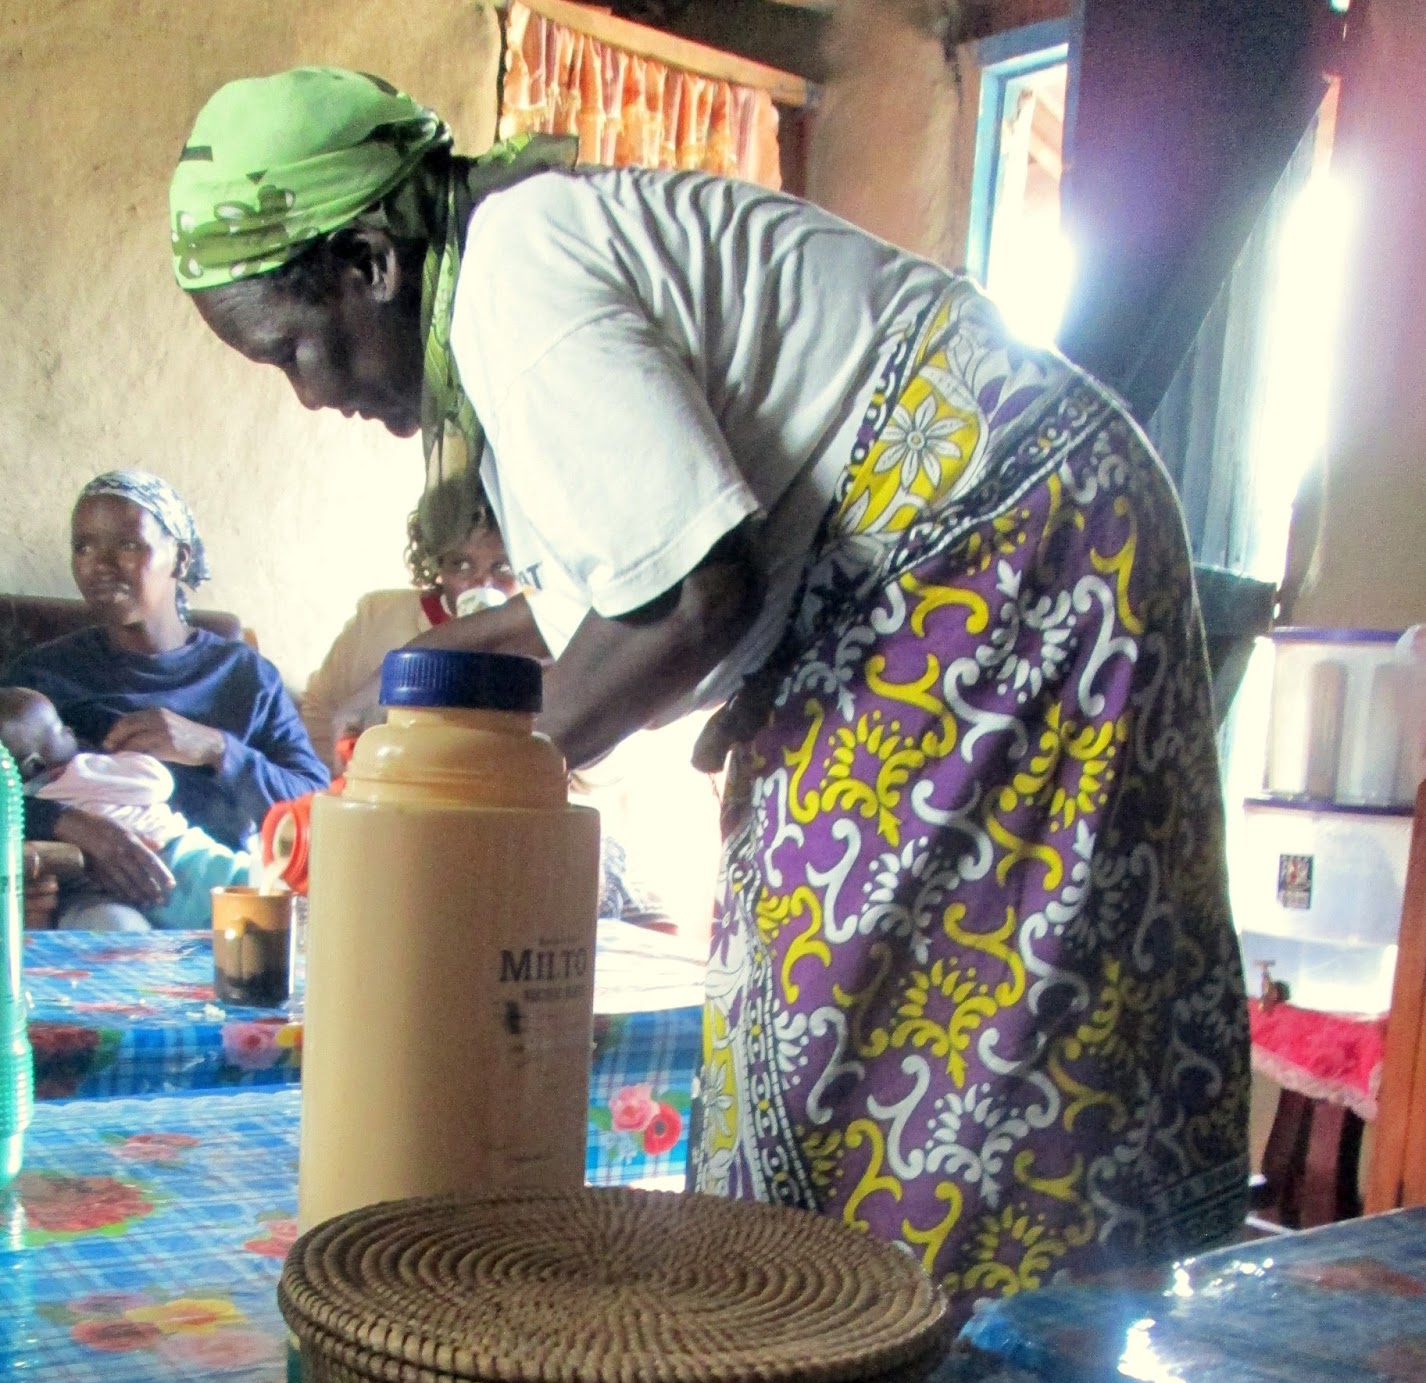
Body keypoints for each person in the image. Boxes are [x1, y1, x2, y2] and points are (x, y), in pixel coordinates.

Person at [171, 69, 1250, 1314]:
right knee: (826, 1002)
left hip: (997, 551)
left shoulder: (517, 275)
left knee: (895, 1023)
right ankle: (895, 1367)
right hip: (998, 537)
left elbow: (697, 596)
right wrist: (437, 695)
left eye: (294, 347)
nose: (310, 392)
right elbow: (620, 582)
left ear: (369, 260)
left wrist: (454, 815)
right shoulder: (519, 270)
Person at [6, 470, 327, 924]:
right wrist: (76, 826)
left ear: (180, 558)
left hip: (223, 886)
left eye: (128, 544)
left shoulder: (243, 675)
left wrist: (217, 748)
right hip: (98, 900)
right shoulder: (43, 677)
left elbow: (316, 806)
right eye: (83, 547)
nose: (99, 563)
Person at [0, 687, 255, 929]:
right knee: (254, 886)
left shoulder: (18, 800)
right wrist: (124, 758)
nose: (70, 729)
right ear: (34, 765)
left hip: (139, 877)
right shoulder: (84, 768)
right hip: (178, 858)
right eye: (60, 730)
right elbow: (157, 782)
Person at [301, 500, 517, 771]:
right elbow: (322, 709)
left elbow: (580, 774)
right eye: (461, 566)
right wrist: (337, 782)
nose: (483, 583)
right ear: (436, 564)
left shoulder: (544, 642)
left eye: (502, 568)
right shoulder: (378, 617)